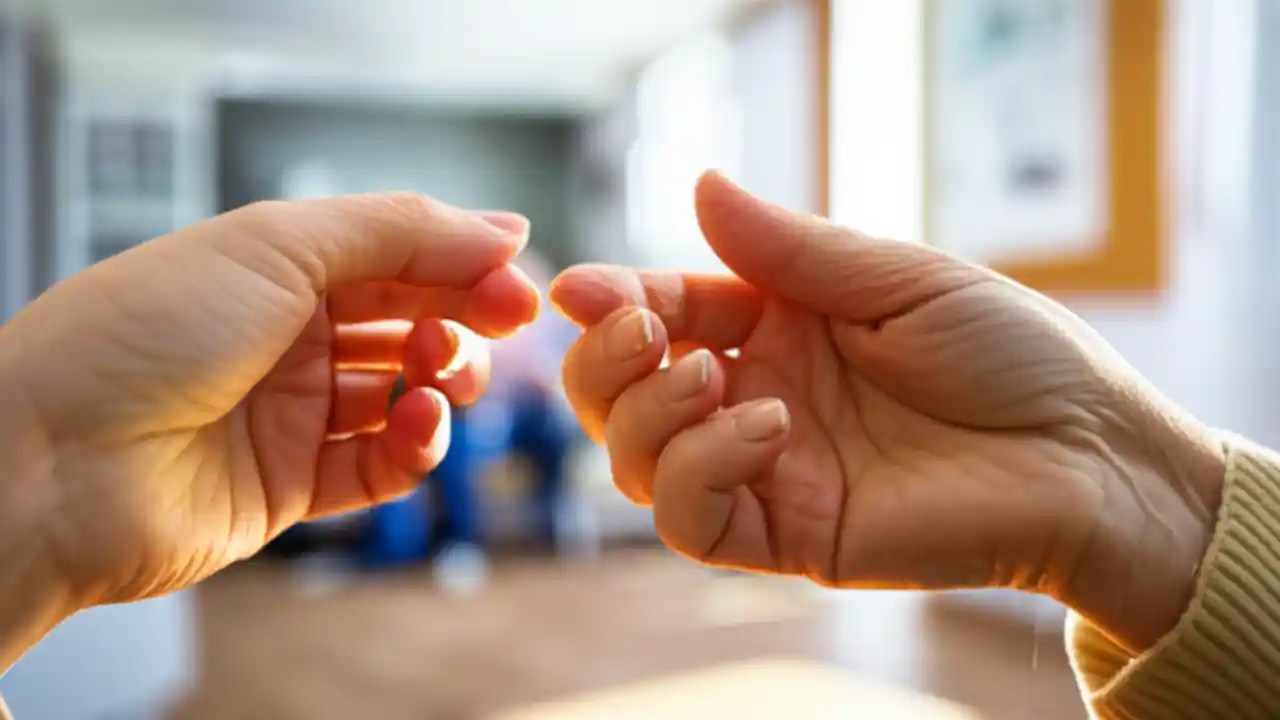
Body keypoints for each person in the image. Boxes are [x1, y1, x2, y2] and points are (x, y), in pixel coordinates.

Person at [0, 176, 1272, 719]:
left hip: (515, 418)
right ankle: (414, 549)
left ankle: (457, 540)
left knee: (479, 440)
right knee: (453, 442)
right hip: (467, 418)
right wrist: (43, 465)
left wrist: (46, 464)